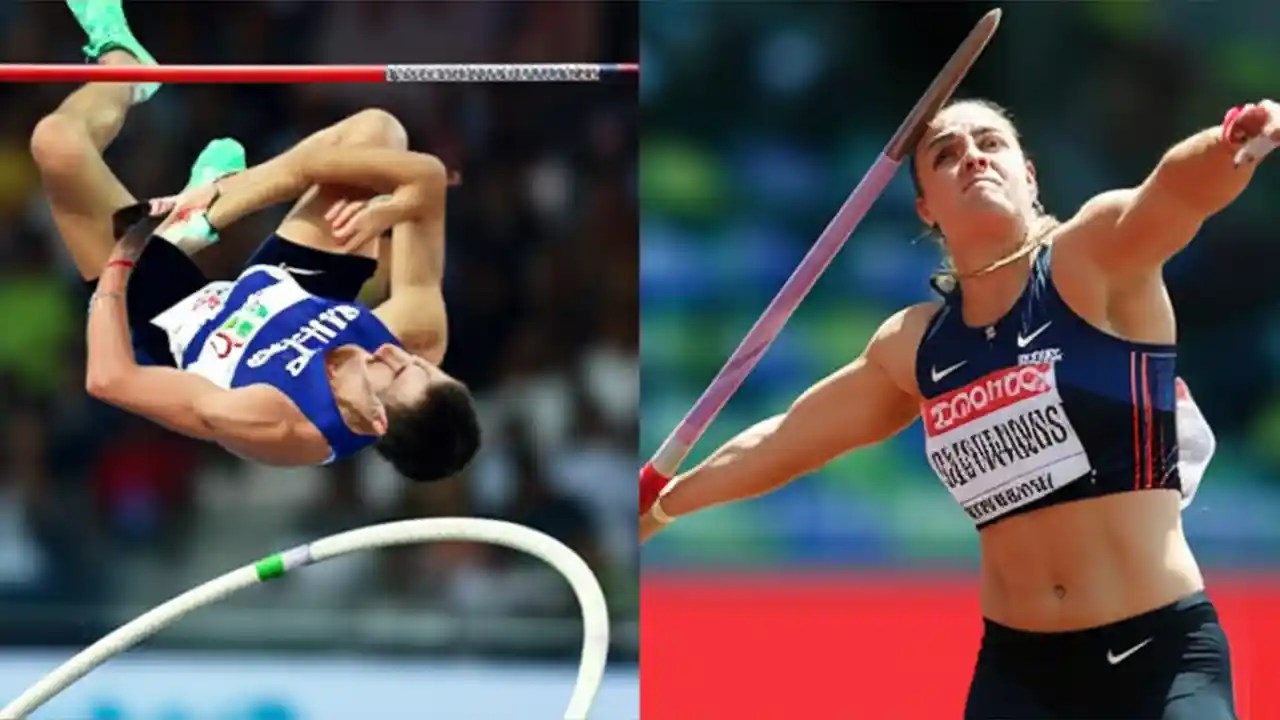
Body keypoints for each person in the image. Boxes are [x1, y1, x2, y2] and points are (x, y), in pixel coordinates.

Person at [640, 96, 1280, 718]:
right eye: (947, 154)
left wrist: (1231, 142)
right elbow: (782, 443)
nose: (973, 157)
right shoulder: (914, 346)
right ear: (926, 207)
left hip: (1157, 656)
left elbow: (1176, 191)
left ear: (1028, 177)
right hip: (1022, 677)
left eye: (991, 143)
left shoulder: (1094, 258)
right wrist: (661, 505)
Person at [31, 0, 480, 482]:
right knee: (379, 131)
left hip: (182, 321)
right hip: (294, 289)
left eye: (395, 373)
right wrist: (394, 204)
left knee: (56, 144)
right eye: (422, 365)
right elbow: (430, 181)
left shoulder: (276, 421)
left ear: (376, 421)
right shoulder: (418, 338)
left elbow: (110, 379)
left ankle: (120, 65)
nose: (394, 351)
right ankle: (202, 207)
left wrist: (118, 266)